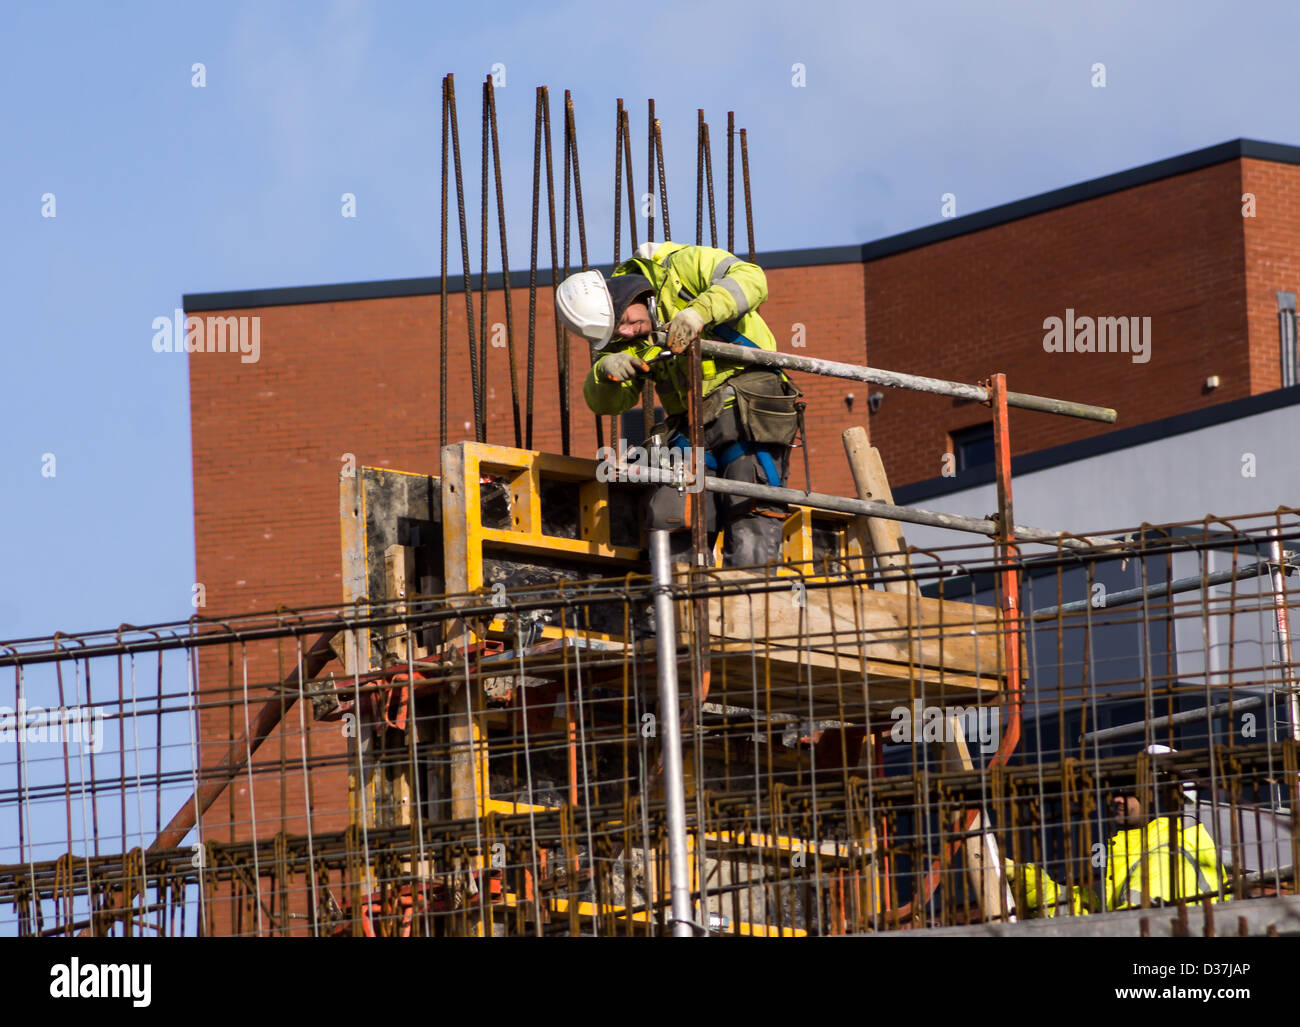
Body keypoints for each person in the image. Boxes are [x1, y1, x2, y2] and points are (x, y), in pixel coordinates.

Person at [555, 241, 801, 566]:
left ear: (627, 296)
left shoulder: (684, 268)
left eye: (627, 321)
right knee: (672, 520)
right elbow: (606, 404)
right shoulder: (622, 339)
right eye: (619, 332)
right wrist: (604, 371)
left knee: (749, 509)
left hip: (745, 408)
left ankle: (749, 603)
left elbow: (752, 279)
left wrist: (701, 311)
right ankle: (682, 609)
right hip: (691, 429)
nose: (629, 332)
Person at [1005, 745, 1226, 916]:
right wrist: (1020, 876)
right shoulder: (1137, 854)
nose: (1117, 799)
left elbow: (1132, 925)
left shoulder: (1173, 849)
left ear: (1161, 797)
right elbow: (1077, 910)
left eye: (1131, 792)